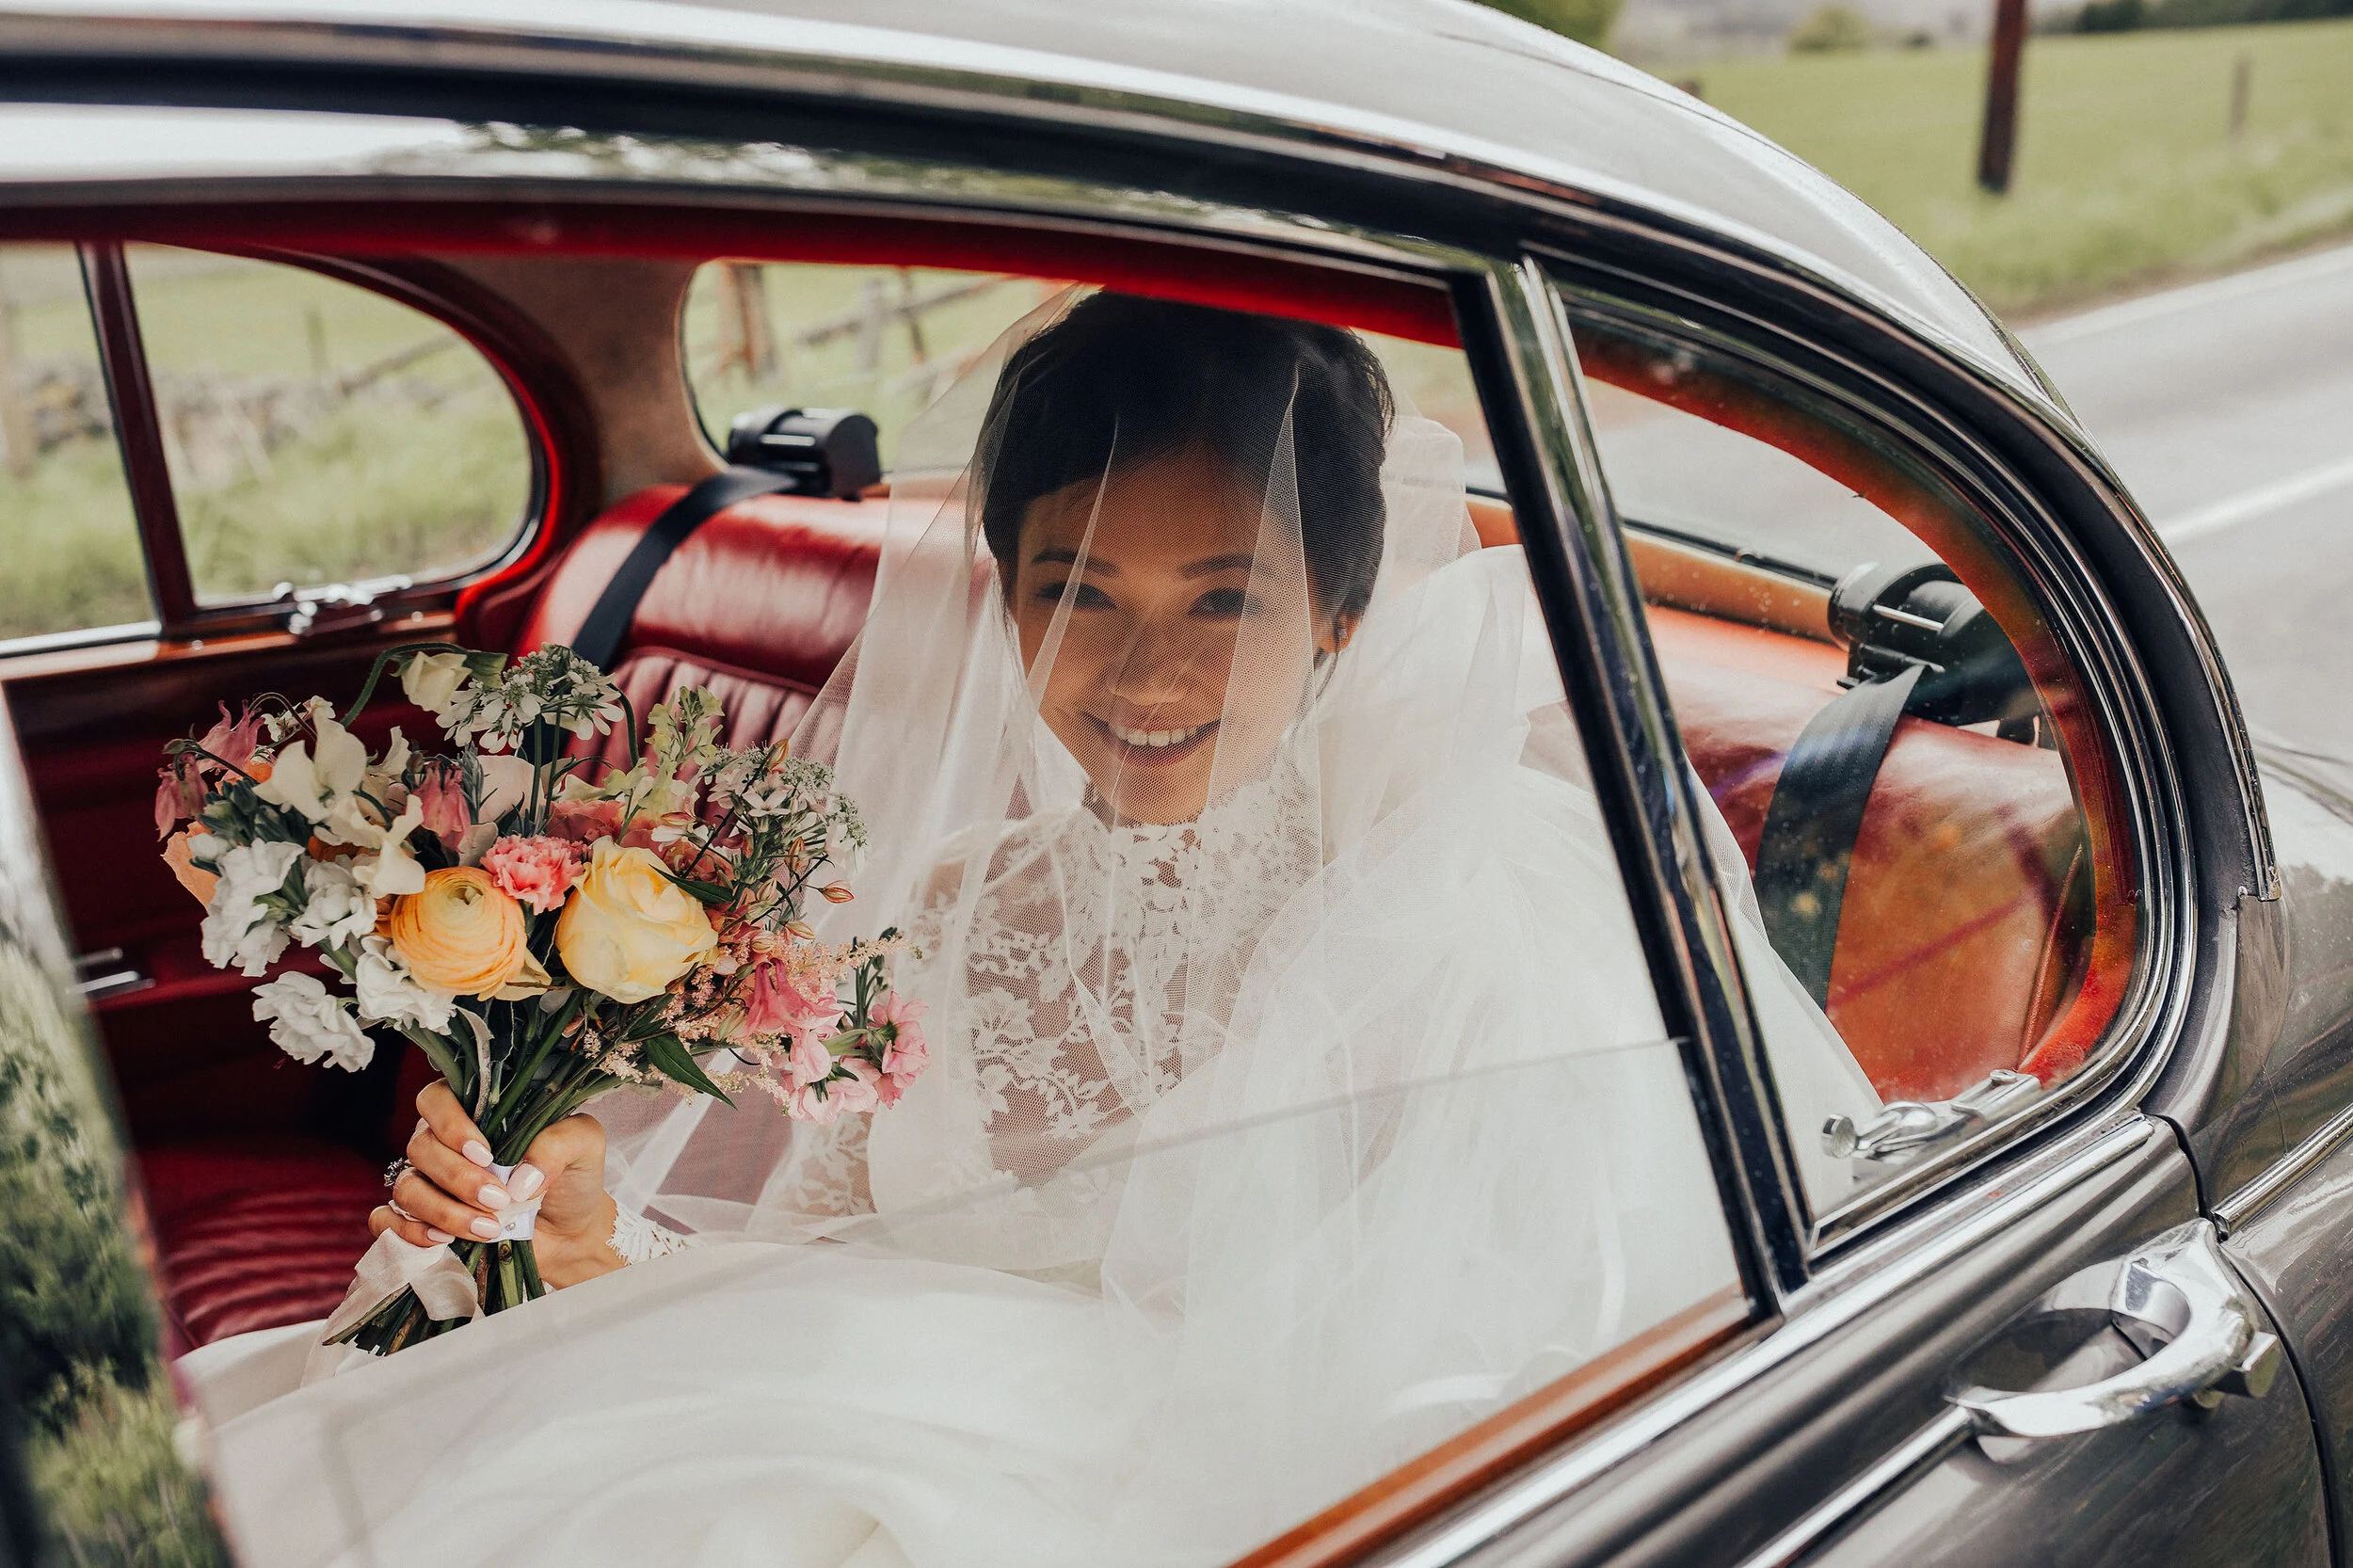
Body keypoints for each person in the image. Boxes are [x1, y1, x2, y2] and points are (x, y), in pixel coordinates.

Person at [179, 292, 1879, 1568]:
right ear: (1005, 600)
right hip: (843, 1446)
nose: (1145, 675)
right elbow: (823, 1270)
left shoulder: (1461, 919)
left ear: (1343, 620)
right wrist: (591, 1248)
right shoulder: (945, 904)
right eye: (1080, 593)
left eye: (1228, 601)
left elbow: (1522, 1406)